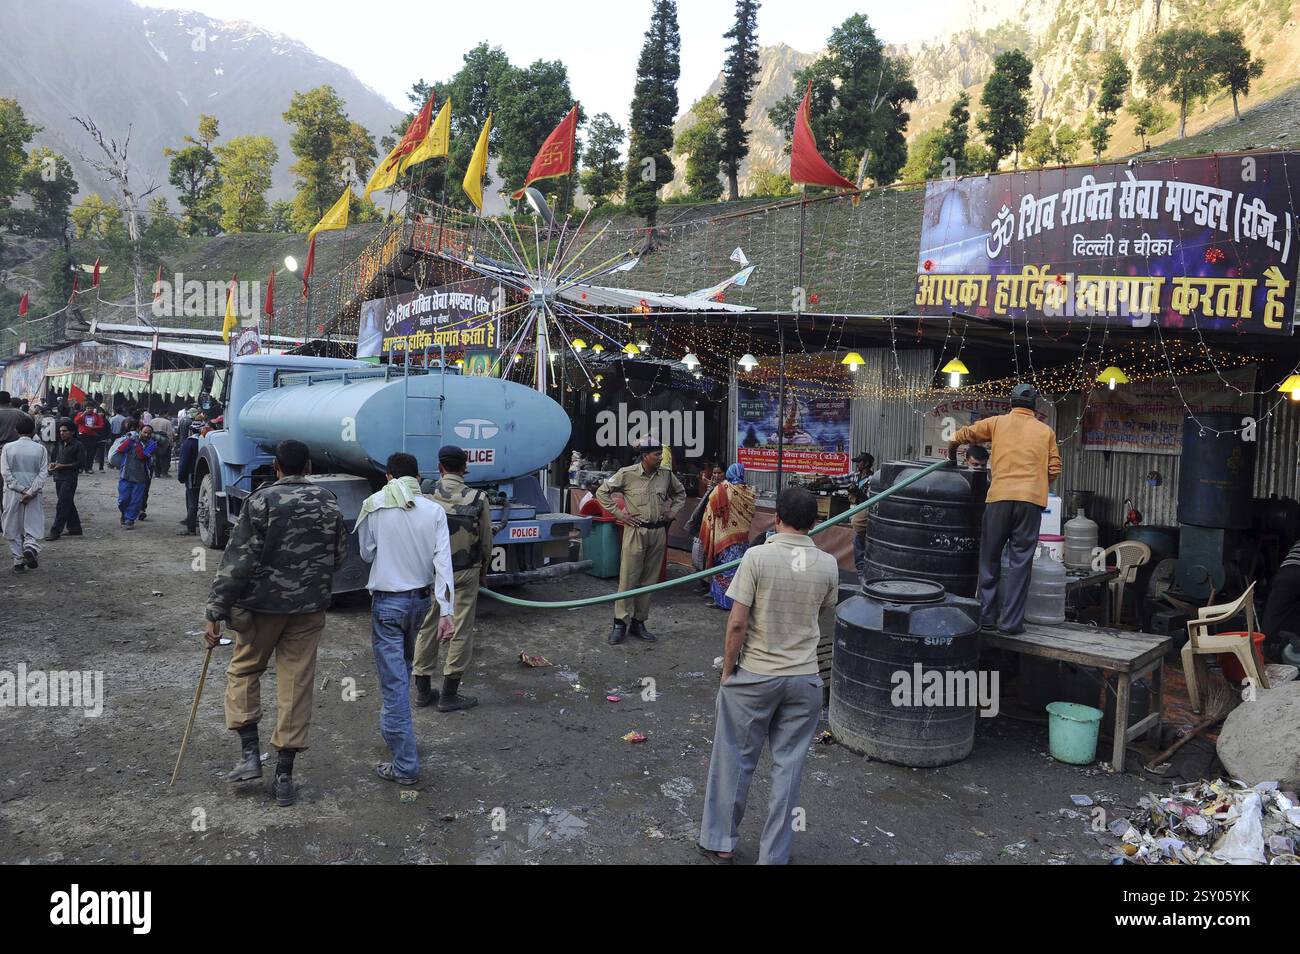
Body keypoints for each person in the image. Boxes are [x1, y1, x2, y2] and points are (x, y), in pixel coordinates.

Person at [698, 487, 840, 865]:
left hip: (756, 677)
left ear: (776, 518)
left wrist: (729, 672)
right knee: (789, 770)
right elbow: (823, 612)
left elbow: (737, 623)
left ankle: (722, 842)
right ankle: (773, 857)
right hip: (805, 681)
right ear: (815, 523)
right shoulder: (828, 564)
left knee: (734, 758)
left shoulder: (756, 557)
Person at [203, 439, 347, 807]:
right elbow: (339, 556)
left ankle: (250, 755)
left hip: (263, 608)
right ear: (309, 467)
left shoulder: (261, 501)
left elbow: (238, 561)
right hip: (309, 608)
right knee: (297, 682)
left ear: (277, 467)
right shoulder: (328, 500)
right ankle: (284, 775)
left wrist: (215, 610)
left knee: (244, 670)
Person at [355, 452, 455, 785]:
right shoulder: (434, 510)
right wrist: (447, 612)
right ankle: (400, 738)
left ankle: (405, 765)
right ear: (418, 477)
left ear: (388, 476)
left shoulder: (374, 505)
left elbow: (366, 553)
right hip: (420, 604)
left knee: (395, 685)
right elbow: (443, 564)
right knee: (404, 673)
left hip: (387, 606)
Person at [949, 384, 1061, 636]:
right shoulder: (1046, 431)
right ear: (1034, 406)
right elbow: (1054, 469)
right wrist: (1034, 485)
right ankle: (1011, 623)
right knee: (1021, 562)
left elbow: (964, 435)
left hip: (999, 498)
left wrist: (953, 446)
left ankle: (987, 618)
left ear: (1011, 403)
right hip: (1030, 502)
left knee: (990, 557)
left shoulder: (997, 423)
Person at [413, 445, 493, 712]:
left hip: (433, 572)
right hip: (465, 571)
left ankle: (423, 692)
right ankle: (449, 695)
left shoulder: (426, 494)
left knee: (428, 625)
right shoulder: (478, 497)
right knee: (460, 628)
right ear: (465, 467)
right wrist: (483, 570)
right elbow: (485, 541)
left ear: (440, 468)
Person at [596, 443, 685, 644]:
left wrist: (672, 512)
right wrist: (620, 514)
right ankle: (620, 623)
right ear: (645, 456)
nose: (660, 458)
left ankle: (639, 622)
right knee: (628, 578)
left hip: (658, 532)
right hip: (635, 532)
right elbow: (602, 493)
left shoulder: (666, 474)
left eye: (661, 454)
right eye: (656, 454)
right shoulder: (627, 474)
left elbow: (680, 493)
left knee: (649, 580)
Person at [700, 463, 756, 610]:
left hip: (724, 538)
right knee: (737, 570)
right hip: (741, 539)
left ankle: (722, 601)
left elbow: (712, 503)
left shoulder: (723, 488)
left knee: (723, 569)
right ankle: (738, 601)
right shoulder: (749, 491)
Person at [1, 415, 48, 573]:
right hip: (33, 493)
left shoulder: (8, 448)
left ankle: (18, 561)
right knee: (32, 522)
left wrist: (20, 489)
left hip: (12, 493)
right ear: (33, 430)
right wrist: (31, 491)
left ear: (16, 431)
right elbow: (43, 474)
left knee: (12, 524)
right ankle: (30, 546)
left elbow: (5, 474)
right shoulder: (40, 448)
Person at [109, 421, 154, 529]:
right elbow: (120, 450)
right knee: (123, 500)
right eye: (144, 432)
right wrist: (130, 440)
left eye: (149, 433)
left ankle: (130, 519)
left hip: (141, 477)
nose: (147, 435)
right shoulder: (131, 440)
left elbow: (142, 456)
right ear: (140, 432)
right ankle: (124, 514)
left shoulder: (152, 445)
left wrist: (136, 442)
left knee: (135, 500)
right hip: (126, 475)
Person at [46, 420, 85, 540]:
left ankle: (56, 530)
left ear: (72, 432)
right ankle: (75, 528)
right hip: (58, 477)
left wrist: (64, 466)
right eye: (60, 431)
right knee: (67, 502)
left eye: (65, 431)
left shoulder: (78, 445)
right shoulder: (60, 444)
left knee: (62, 504)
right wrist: (53, 465)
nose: (62, 433)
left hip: (70, 478)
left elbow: (80, 463)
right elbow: (56, 458)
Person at [0, 391, 28, 499]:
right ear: (9, 400)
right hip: (18, 450)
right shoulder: (21, 414)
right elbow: (30, 431)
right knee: (16, 478)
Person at [176, 424, 202, 536]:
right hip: (205, 477)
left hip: (191, 476)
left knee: (192, 502)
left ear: (191, 431)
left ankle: (191, 528)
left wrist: (181, 476)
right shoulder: (204, 441)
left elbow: (184, 462)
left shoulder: (189, 443)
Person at [73, 404, 106, 474]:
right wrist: (83, 415)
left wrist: (94, 427)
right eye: (88, 408)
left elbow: (101, 425)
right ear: (85, 408)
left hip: (92, 436)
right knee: (81, 453)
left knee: (91, 453)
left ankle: (89, 468)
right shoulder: (80, 414)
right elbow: (76, 422)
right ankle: (80, 467)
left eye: (91, 408)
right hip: (82, 436)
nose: (89, 410)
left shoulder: (96, 416)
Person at [847, 483, 870, 578]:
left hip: (867, 512)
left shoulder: (870, 481)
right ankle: (861, 572)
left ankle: (862, 574)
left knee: (858, 525)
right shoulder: (857, 477)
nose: (858, 466)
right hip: (862, 513)